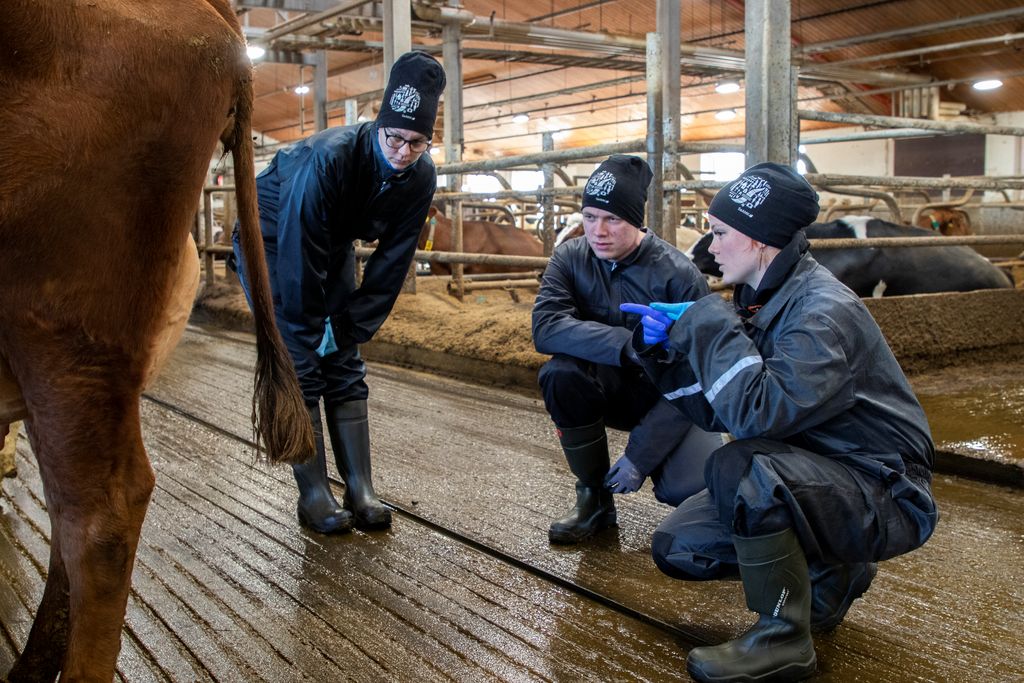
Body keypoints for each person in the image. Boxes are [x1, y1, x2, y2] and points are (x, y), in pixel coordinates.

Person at [622, 162, 938, 682]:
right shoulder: (764, 303)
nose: (711, 246)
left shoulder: (820, 313)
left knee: (742, 468)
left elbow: (757, 416)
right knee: (681, 547)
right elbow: (712, 407)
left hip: (886, 490)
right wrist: (663, 354)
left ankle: (784, 640)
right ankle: (832, 572)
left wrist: (707, 320)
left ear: (761, 241)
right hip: (822, 476)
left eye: (721, 232)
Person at [230, 51, 446, 534]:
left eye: (417, 143)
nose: (404, 152)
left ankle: (361, 488)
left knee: (344, 358)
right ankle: (313, 494)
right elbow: (298, 245)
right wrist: (310, 327)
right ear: (378, 127)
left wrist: (347, 326)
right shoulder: (330, 156)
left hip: (331, 240)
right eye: (395, 138)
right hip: (271, 233)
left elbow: (393, 263)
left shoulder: (420, 174)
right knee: (303, 359)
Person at [531, 154, 720, 545]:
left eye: (613, 219)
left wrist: (640, 455)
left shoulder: (679, 275)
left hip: (669, 398)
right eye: (589, 216)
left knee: (688, 488)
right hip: (607, 388)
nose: (598, 231)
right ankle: (594, 499)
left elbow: (697, 378)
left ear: (636, 220)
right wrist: (631, 346)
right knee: (560, 374)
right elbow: (547, 328)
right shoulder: (570, 257)